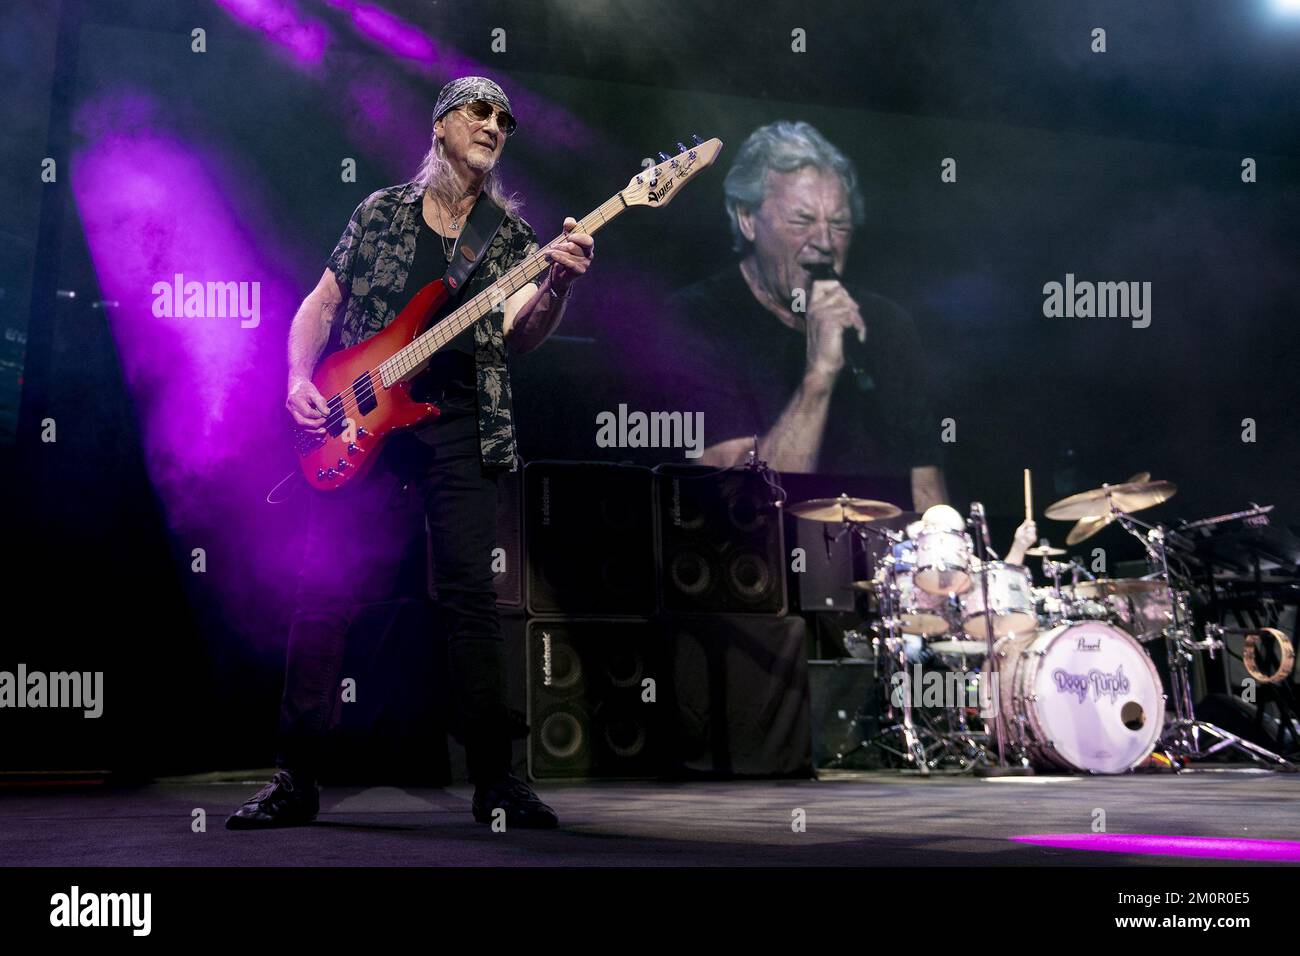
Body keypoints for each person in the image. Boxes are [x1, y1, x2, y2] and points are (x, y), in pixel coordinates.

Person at [227, 77, 593, 831]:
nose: (495, 125)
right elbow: (321, 305)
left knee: (470, 601)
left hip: (459, 423)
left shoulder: (513, 240)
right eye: (480, 111)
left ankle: (498, 781)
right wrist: (298, 377)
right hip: (356, 425)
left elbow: (522, 335)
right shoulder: (380, 213)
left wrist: (555, 287)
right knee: (323, 594)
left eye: (505, 120)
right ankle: (295, 778)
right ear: (440, 127)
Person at [665, 121, 948, 509]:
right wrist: (819, 377)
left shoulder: (886, 326)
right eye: (802, 221)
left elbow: (927, 491)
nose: (824, 242)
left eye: (839, 224)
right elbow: (740, 508)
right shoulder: (694, 320)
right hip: (764, 565)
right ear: (746, 219)